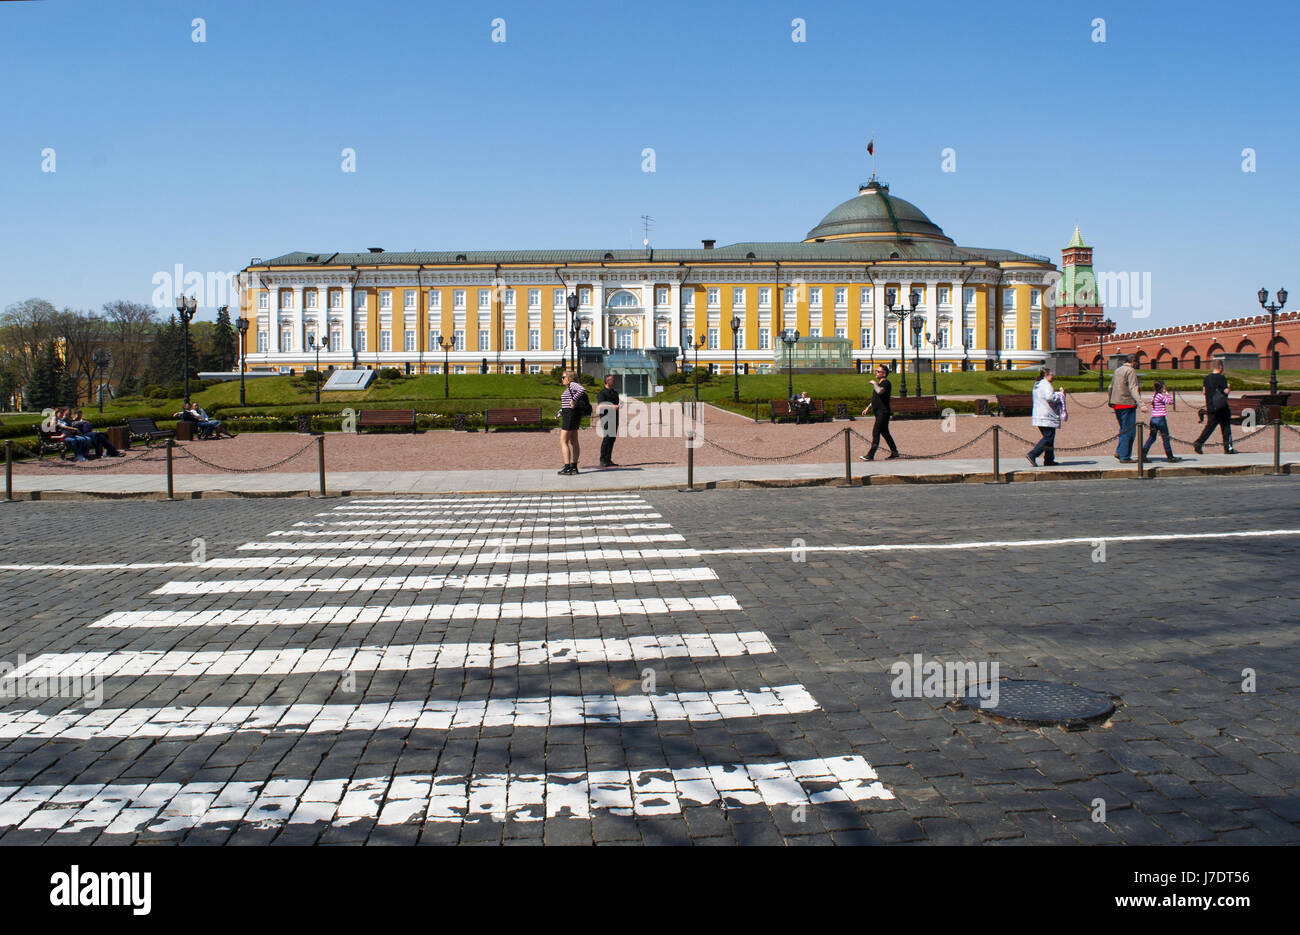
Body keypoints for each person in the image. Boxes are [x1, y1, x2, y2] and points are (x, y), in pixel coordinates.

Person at [1107, 353, 1146, 462]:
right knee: (1129, 431)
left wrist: (1110, 400)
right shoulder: (1131, 371)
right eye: (1136, 362)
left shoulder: (1117, 370)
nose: (1137, 365)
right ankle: (1125, 456)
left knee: (1123, 428)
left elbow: (1110, 386)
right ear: (1133, 361)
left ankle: (1120, 451)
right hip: (1127, 403)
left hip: (1116, 403)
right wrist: (1141, 404)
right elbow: (1133, 388)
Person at [1192, 360, 1236, 455]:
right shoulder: (1221, 378)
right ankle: (1227, 448)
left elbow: (1204, 391)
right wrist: (1229, 388)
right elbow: (1225, 391)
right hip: (1222, 407)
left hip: (1211, 406)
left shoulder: (1207, 378)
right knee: (1226, 427)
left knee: (1210, 427)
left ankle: (1199, 443)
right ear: (1220, 367)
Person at [859, 364, 899, 461]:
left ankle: (870, 455)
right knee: (885, 433)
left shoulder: (886, 383)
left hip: (883, 412)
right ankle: (894, 452)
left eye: (878, 371)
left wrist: (874, 383)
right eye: (876, 371)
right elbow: (875, 398)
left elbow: (880, 392)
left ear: (884, 374)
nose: (876, 373)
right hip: (878, 412)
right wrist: (868, 408)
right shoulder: (879, 384)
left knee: (876, 432)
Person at [1026, 368, 1062, 467]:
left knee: (1050, 437)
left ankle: (1049, 459)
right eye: (1051, 374)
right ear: (1046, 375)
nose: (1053, 376)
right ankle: (1033, 454)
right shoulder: (1046, 385)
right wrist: (1059, 396)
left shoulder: (1037, 384)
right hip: (1046, 415)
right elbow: (1050, 397)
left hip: (1039, 413)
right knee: (1048, 437)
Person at [556, 371, 588, 475]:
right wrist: (561, 411)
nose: (562, 379)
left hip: (570, 415)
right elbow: (567, 403)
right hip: (571, 414)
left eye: (563, 377)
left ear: (569, 378)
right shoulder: (569, 388)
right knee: (574, 441)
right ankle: (574, 467)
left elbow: (582, 389)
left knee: (563, 441)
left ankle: (567, 467)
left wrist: (573, 400)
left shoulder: (572, 384)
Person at [1141, 380, 1181, 463]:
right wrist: (1167, 393)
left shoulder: (1153, 396)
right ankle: (1170, 456)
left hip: (1153, 418)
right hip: (1160, 419)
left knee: (1152, 437)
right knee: (1165, 437)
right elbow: (1170, 402)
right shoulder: (1160, 396)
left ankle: (1143, 453)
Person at [596, 373, 621, 467]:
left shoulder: (615, 392)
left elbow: (617, 404)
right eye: (612, 380)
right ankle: (602, 460)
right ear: (607, 381)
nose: (614, 381)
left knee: (612, 439)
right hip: (606, 419)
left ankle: (608, 459)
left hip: (615, 418)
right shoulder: (602, 393)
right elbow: (601, 405)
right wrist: (613, 406)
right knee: (607, 439)